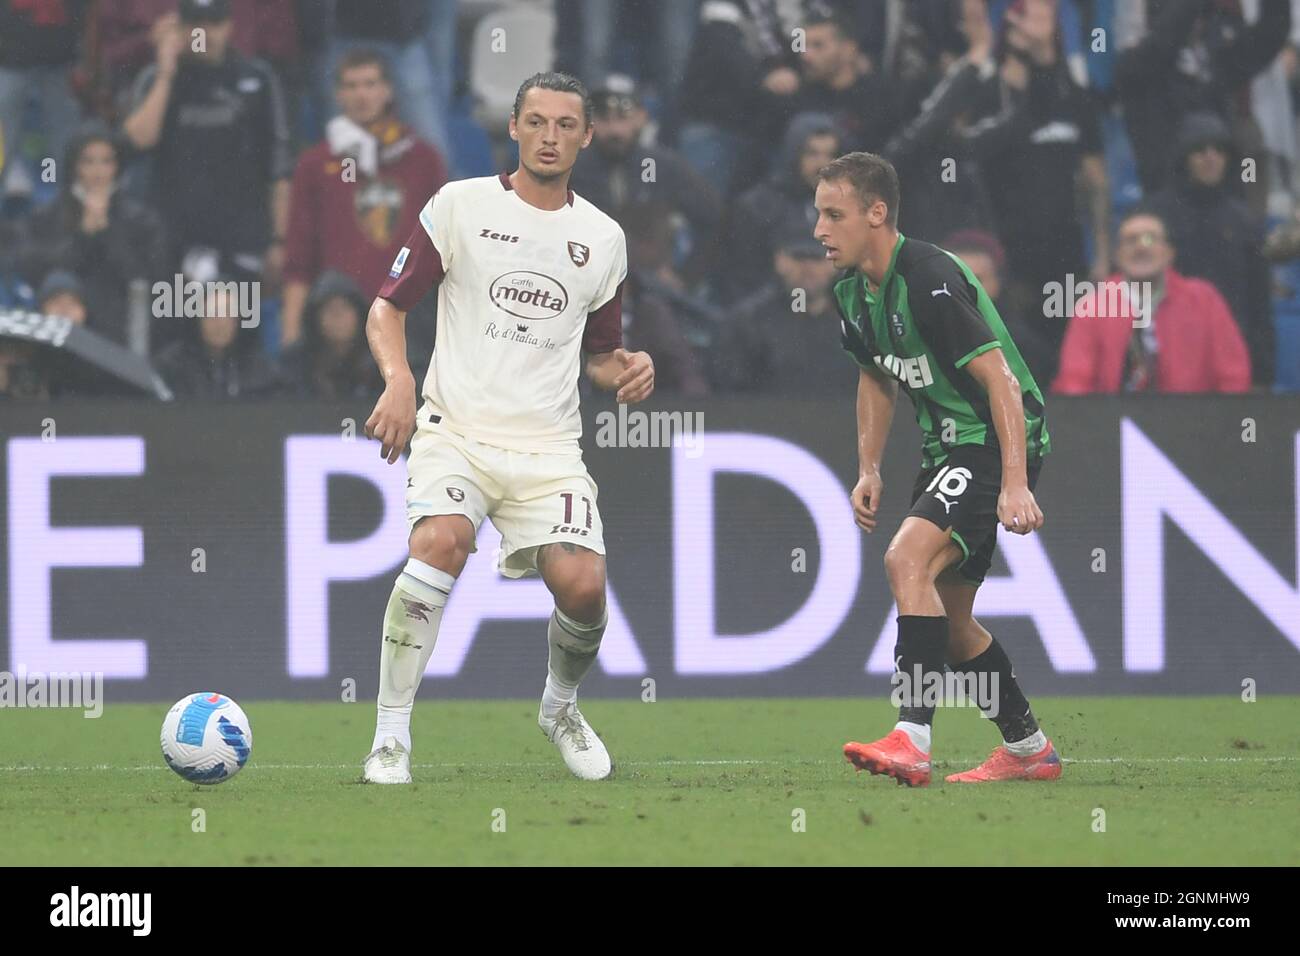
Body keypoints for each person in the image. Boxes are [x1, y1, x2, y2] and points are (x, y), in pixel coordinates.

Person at [360, 72, 655, 784]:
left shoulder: (603, 238)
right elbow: (387, 308)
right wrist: (399, 379)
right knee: (440, 541)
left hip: (547, 448)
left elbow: (601, 358)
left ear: (585, 136)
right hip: (455, 430)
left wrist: (632, 369)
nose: (550, 136)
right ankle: (390, 738)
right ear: (515, 128)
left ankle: (560, 707)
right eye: (537, 121)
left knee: (584, 588)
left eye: (565, 124)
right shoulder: (459, 206)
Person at [815, 151, 1059, 786]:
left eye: (833, 214)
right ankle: (1029, 747)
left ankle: (912, 737)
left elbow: (1000, 380)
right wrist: (868, 467)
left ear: (877, 213)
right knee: (950, 624)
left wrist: (1013, 481)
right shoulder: (849, 291)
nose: (819, 229)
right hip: (946, 447)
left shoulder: (928, 276)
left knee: (905, 560)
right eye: (818, 213)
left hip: (996, 437)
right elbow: (875, 376)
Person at [280, 48, 448, 346]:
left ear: (387, 91)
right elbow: (299, 259)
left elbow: (444, 251)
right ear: (337, 95)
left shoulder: (424, 160)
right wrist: (291, 334)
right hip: (336, 326)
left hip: (408, 322)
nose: (362, 95)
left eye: (370, 84)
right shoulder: (315, 164)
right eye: (351, 85)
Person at [1053, 209, 1251, 394]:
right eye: (1130, 241)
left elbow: (1234, 377)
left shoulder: (1204, 301)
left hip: (1195, 425)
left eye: (1151, 239)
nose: (1141, 247)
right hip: (1110, 425)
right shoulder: (1093, 306)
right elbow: (1074, 382)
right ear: (1118, 255)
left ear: (1169, 252)